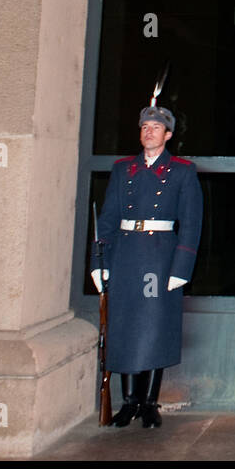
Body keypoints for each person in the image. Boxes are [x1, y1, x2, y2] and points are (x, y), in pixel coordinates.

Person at [92, 102, 202, 428]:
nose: (148, 131)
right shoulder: (123, 169)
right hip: (126, 255)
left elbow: (192, 224)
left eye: (155, 127)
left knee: (154, 326)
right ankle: (128, 403)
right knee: (124, 327)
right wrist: (100, 262)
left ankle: (150, 403)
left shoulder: (182, 171)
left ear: (167, 135)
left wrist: (181, 268)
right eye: (144, 127)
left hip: (159, 258)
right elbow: (108, 220)